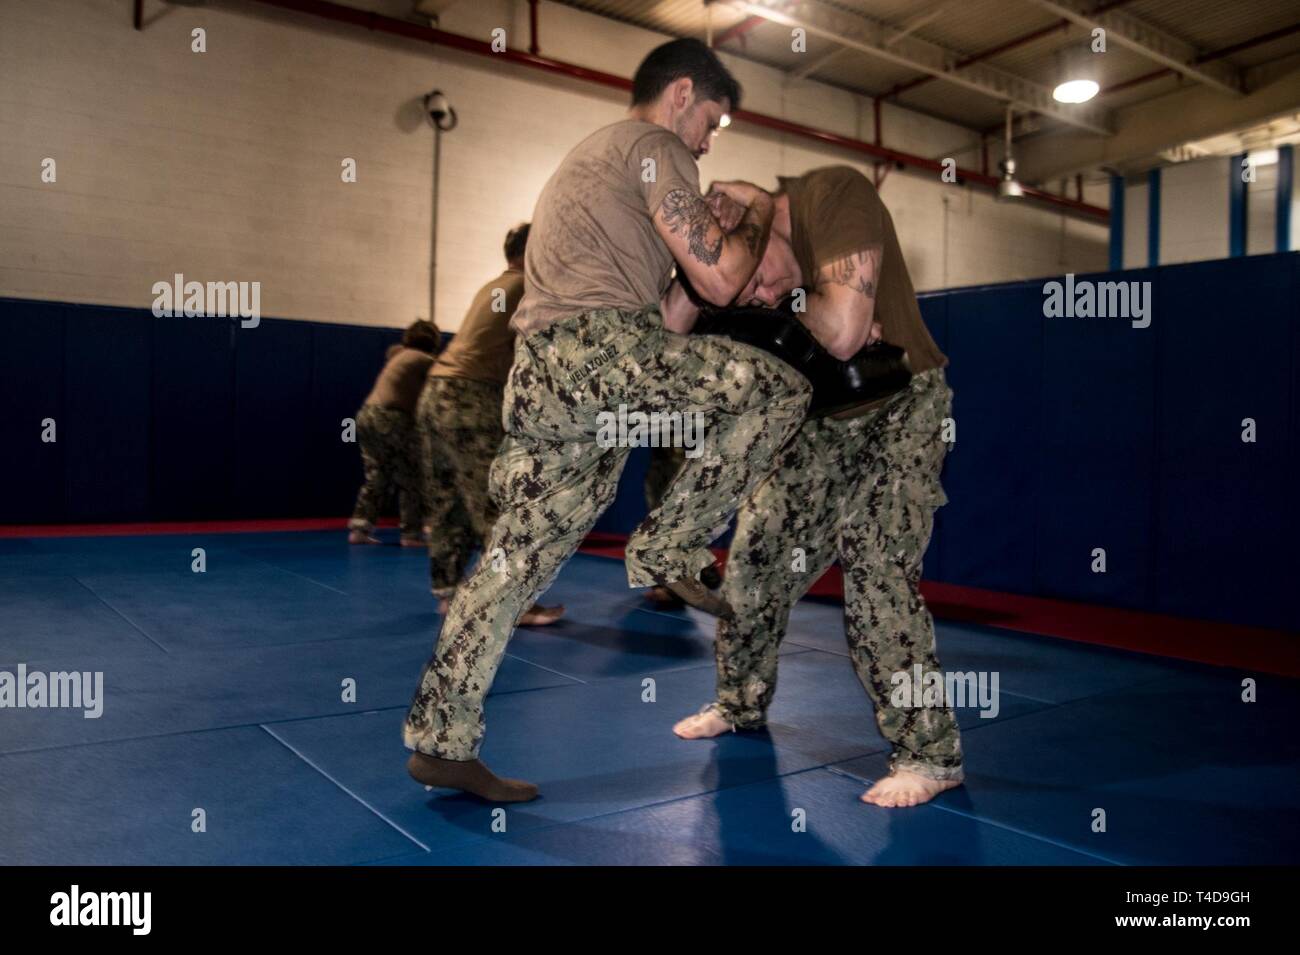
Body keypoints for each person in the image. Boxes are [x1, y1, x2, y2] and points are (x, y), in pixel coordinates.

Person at [402, 38, 810, 802]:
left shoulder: (597, 160)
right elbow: (725, 276)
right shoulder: (657, 147)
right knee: (781, 390)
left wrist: (701, 253)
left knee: (512, 562)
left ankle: (440, 737)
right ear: (683, 93)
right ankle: (674, 541)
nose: (709, 140)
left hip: (552, 378)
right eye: (712, 121)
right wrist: (749, 215)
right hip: (597, 353)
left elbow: (679, 315)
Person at [672, 166, 965, 809]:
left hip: (903, 407)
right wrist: (704, 266)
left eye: (755, 279)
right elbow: (668, 330)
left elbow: (842, 331)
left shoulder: (830, 194)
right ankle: (740, 701)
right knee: (754, 560)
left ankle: (930, 753)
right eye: (745, 294)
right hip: (818, 423)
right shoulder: (750, 264)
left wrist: (747, 218)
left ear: (763, 218)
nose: (759, 297)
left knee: (876, 567)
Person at [418, 223, 564, 627]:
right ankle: (512, 601)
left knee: (448, 501)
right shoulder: (526, 289)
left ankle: (448, 591)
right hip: (470, 397)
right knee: (496, 503)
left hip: (436, 393)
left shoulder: (495, 286)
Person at [348, 320, 441, 546]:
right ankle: (411, 533)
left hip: (367, 416)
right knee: (412, 475)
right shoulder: (424, 360)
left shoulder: (400, 355)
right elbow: (447, 373)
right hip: (392, 418)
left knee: (377, 474)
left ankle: (359, 529)